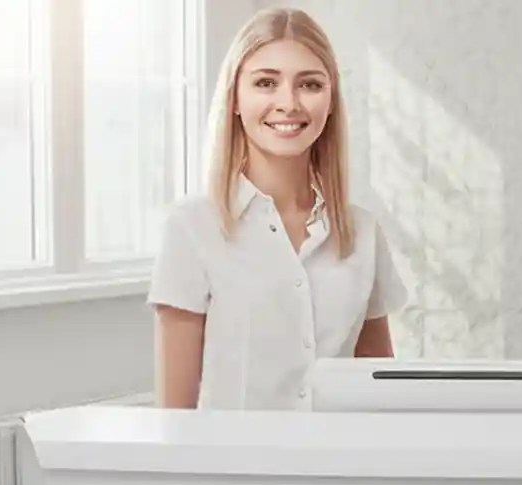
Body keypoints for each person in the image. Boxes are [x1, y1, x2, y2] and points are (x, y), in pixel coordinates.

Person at [147, 7, 408, 410]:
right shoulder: (191, 228)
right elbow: (174, 416)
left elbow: (381, 395)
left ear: (331, 101)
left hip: (341, 467)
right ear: (235, 98)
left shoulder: (362, 233)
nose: (288, 103)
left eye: (310, 84)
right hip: (235, 471)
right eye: (266, 82)